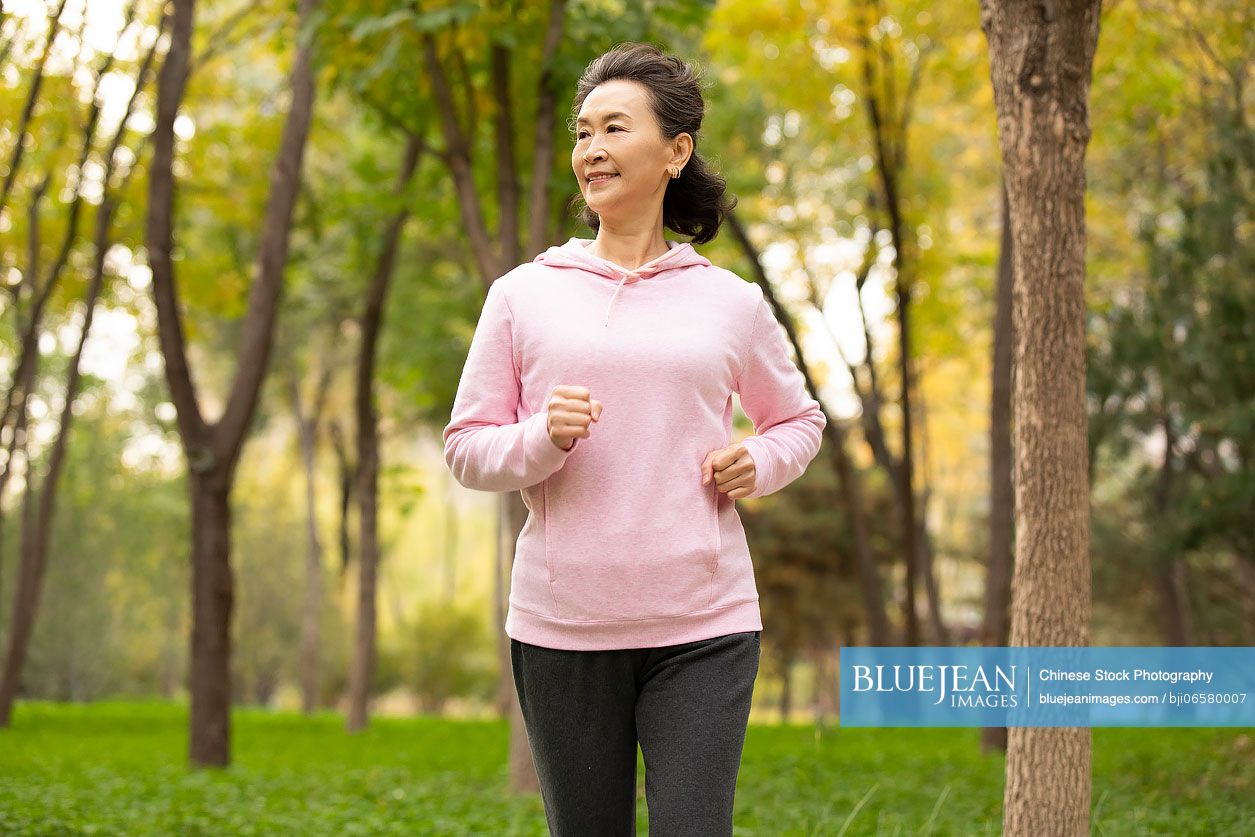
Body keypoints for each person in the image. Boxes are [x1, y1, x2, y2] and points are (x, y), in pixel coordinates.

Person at [443, 42, 826, 836]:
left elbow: (800, 421)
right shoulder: (522, 295)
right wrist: (540, 439)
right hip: (563, 627)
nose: (591, 150)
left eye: (613, 128)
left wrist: (756, 459)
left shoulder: (731, 303)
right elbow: (467, 445)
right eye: (583, 133)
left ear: (675, 151)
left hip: (703, 624)